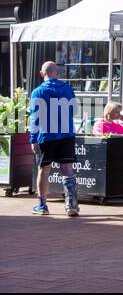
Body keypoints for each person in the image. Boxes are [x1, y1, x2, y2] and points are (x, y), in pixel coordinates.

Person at [28, 61, 80, 217]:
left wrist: (33, 138)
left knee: (44, 169)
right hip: (66, 134)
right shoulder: (67, 89)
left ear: (42, 73)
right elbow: (74, 110)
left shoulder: (37, 92)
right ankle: (71, 205)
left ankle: (42, 205)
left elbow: (34, 117)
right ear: (57, 73)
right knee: (68, 170)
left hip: (46, 135)